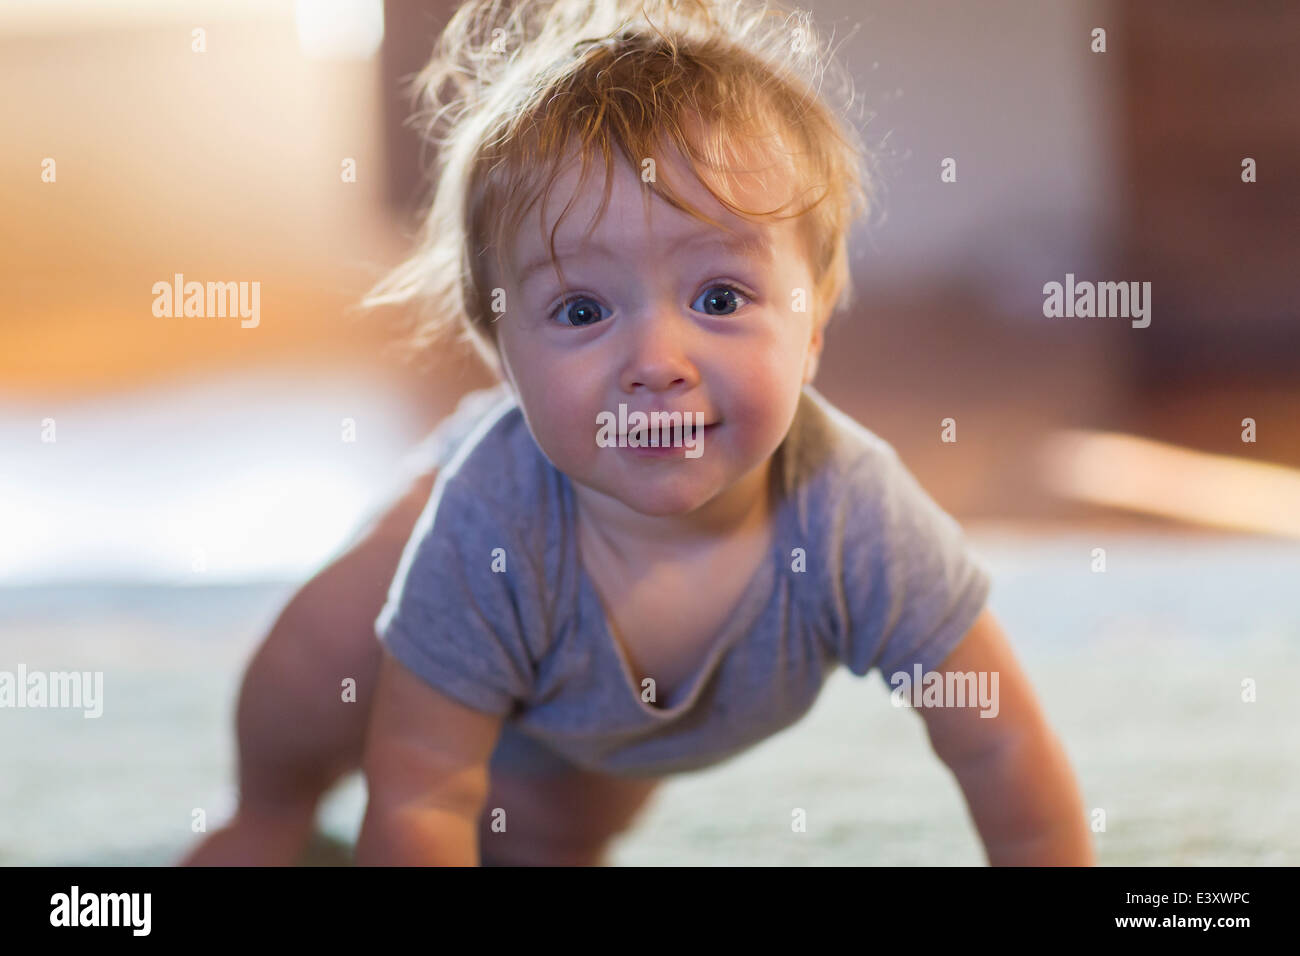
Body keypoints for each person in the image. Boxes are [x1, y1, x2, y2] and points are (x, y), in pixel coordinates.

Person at [183, 0, 1092, 866]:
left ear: (812, 332)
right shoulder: (485, 527)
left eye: (720, 298)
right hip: (474, 624)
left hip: (591, 735)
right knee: (331, 645)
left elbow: (999, 739)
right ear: (501, 352)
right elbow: (419, 791)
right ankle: (267, 807)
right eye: (581, 308)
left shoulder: (856, 516)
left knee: (542, 840)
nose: (657, 359)